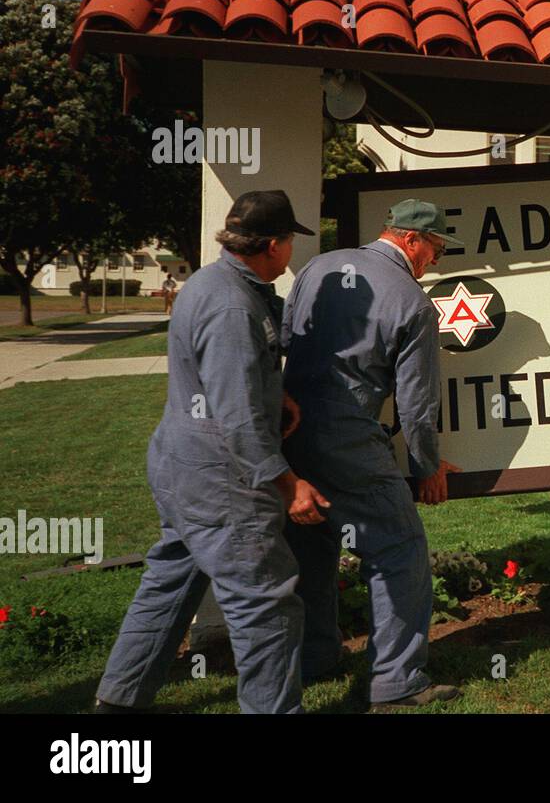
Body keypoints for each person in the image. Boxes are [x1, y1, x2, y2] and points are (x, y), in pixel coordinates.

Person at [96, 190, 326, 713]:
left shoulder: (213, 283)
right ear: (272, 244)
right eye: (290, 240)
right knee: (266, 603)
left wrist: (276, 392)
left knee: (172, 578)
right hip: (223, 479)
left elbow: (225, 382)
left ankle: (120, 702)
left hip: (182, 466)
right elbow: (238, 417)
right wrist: (288, 485)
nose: (291, 251)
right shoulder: (230, 307)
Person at [280, 198, 462, 709]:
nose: (435, 262)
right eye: (436, 249)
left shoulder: (317, 267)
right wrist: (426, 467)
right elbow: (418, 404)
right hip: (351, 442)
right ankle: (397, 682)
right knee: (400, 552)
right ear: (410, 240)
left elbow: (287, 340)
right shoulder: (412, 301)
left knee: (312, 551)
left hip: (290, 437)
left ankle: (314, 658)